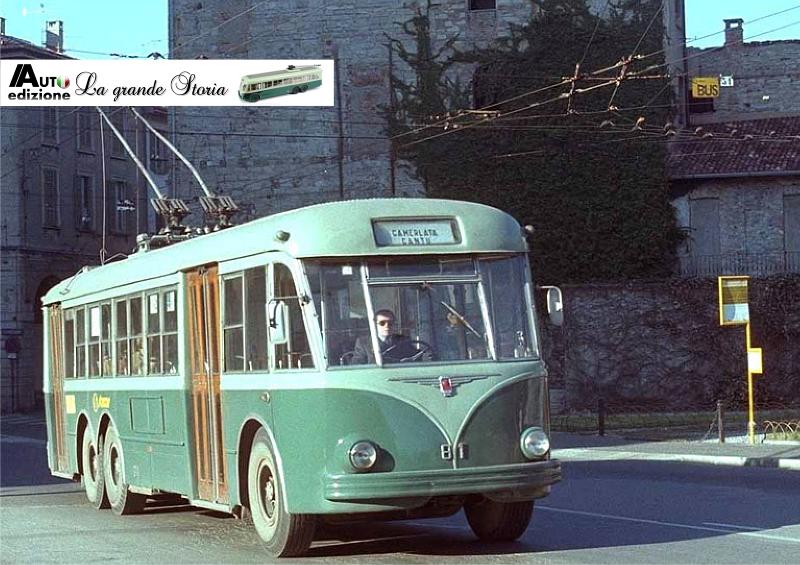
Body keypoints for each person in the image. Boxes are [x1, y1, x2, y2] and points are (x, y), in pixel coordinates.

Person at [351, 309, 421, 364]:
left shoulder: (403, 340)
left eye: (390, 323)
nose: (386, 326)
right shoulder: (363, 342)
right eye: (382, 323)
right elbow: (357, 365)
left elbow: (416, 357)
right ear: (375, 325)